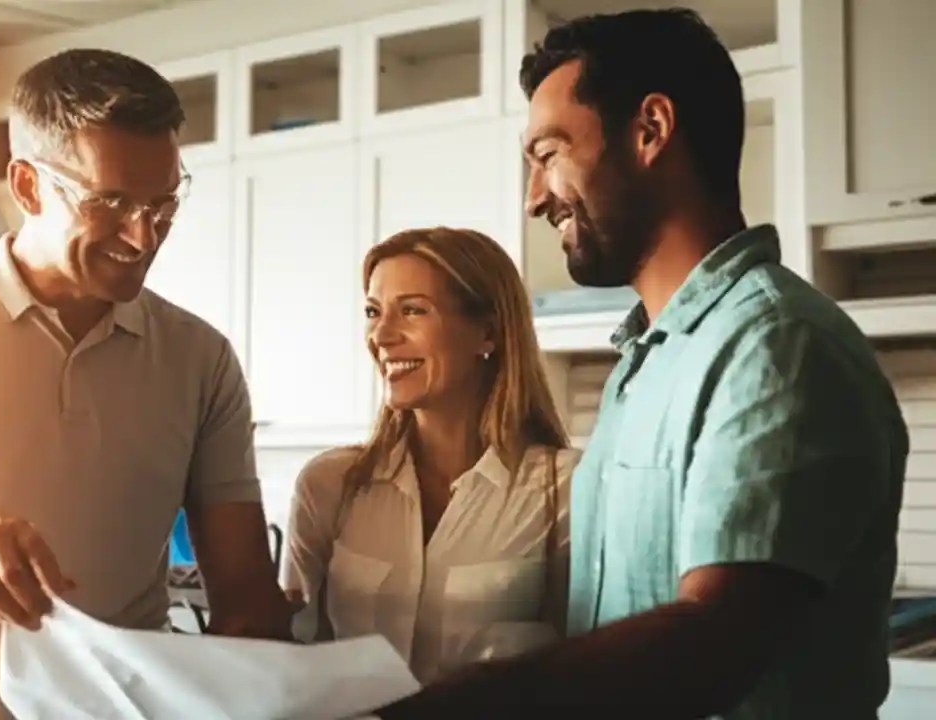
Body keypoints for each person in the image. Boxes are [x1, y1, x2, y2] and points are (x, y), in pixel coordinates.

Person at [376, 9, 909, 719]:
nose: (535, 197)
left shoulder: (775, 344)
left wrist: (435, 709)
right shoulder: (644, 364)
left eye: (548, 154)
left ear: (651, 130)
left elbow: (714, 642)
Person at [0, 48, 292, 719]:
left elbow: (245, 597)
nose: (144, 234)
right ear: (29, 187)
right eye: (111, 202)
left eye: (164, 203)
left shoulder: (201, 358)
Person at [282, 227, 579, 684]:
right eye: (373, 312)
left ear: (487, 332)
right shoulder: (329, 487)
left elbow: (582, 672)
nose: (381, 335)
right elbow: (296, 664)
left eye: (413, 310)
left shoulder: (562, 490)